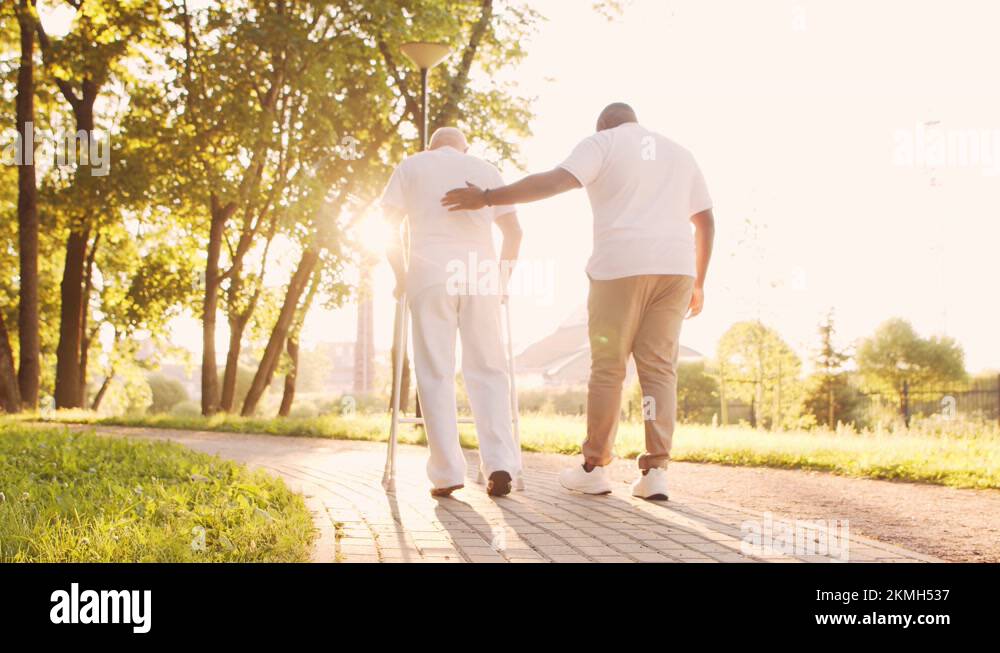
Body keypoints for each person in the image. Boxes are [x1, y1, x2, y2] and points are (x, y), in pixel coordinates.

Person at [441, 103, 715, 501]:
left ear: (603, 124)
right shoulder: (678, 151)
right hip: (677, 270)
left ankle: (594, 467)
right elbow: (705, 220)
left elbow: (553, 182)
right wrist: (700, 282)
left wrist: (487, 197)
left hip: (621, 266)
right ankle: (657, 470)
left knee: (609, 367)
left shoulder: (602, 143)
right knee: (658, 370)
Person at [381, 127, 523, 497]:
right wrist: (502, 280)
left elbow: (388, 228)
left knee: (435, 373)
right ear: (465, 147)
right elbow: (514, 233)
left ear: (431, 146)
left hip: (430, 274)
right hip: (481, 275)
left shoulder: (411, 166)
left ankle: (447, 472)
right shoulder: (486, 169)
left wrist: (401, 276)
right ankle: (500, 464)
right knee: (489, 369)